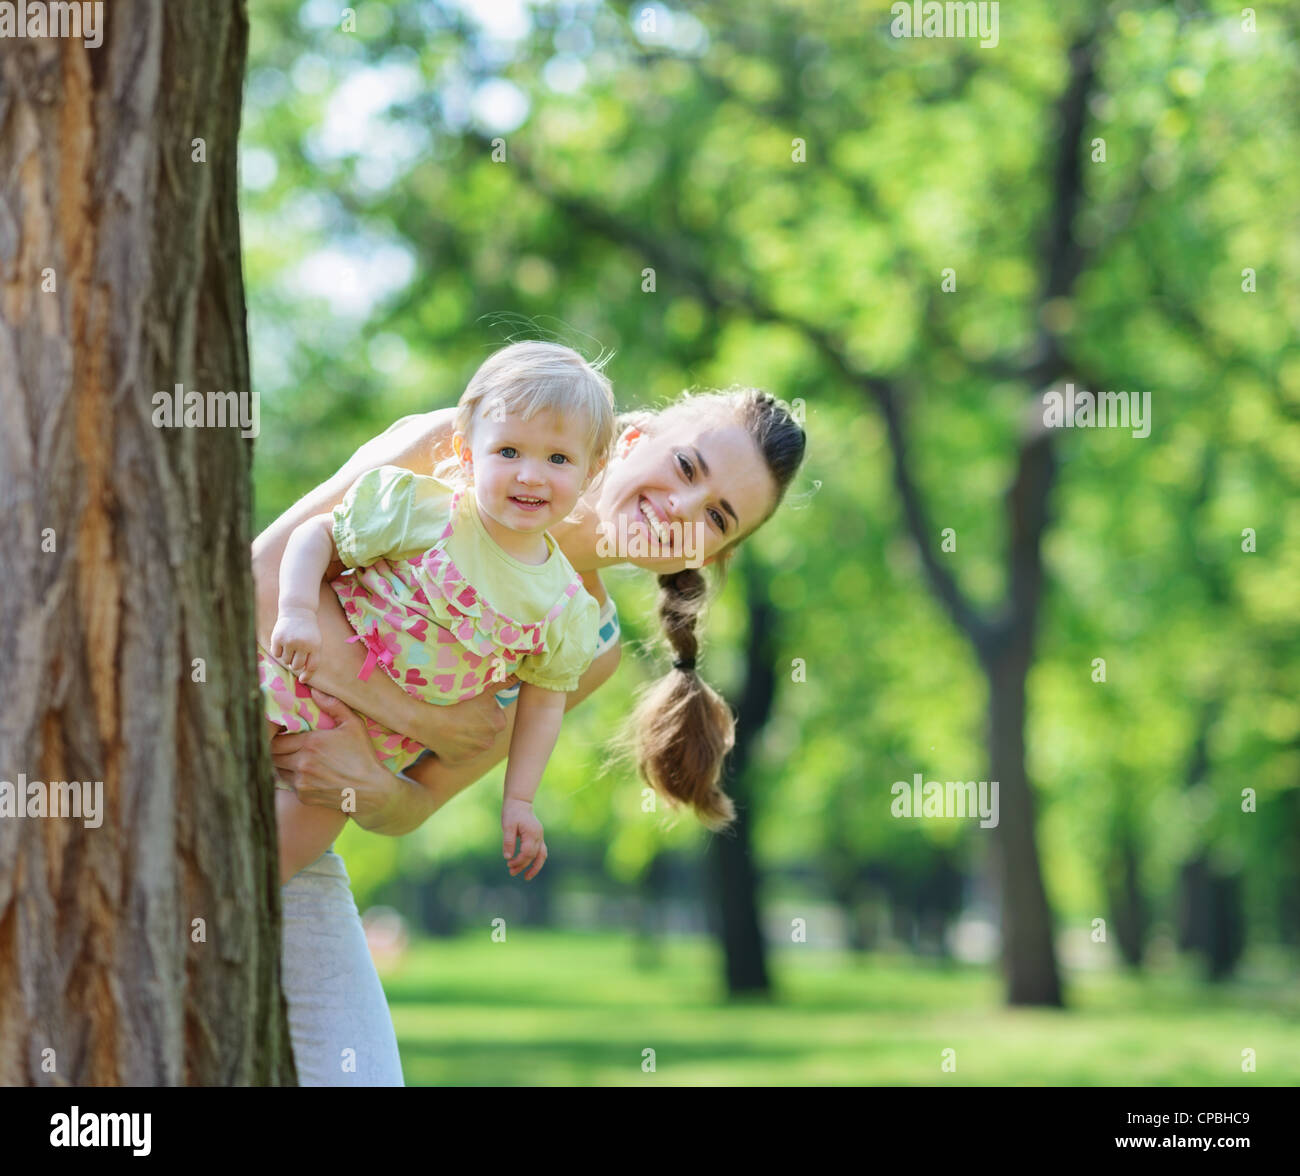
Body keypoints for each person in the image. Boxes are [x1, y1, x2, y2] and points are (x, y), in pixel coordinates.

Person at [252, 380, 806, 1085]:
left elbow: (417, 800)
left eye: (716, 518)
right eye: (688, 467)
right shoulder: (455, 452)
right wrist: (435, 720)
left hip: (303, 808)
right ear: (634, 439)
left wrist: (367, 787)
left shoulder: (589, 643)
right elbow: (259, 583)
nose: (680, 508)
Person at [261, 342, 616, 886]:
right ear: (467, 450)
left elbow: (544, 704)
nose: (530, 475)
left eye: (558, 459)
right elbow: (317, 534)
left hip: (360, 747)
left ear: (590, 473)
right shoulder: (425, 511)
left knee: (277, 859)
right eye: (509, 451)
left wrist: (518, 799)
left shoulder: (566, 606)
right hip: (291, 681)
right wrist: (297, 612)